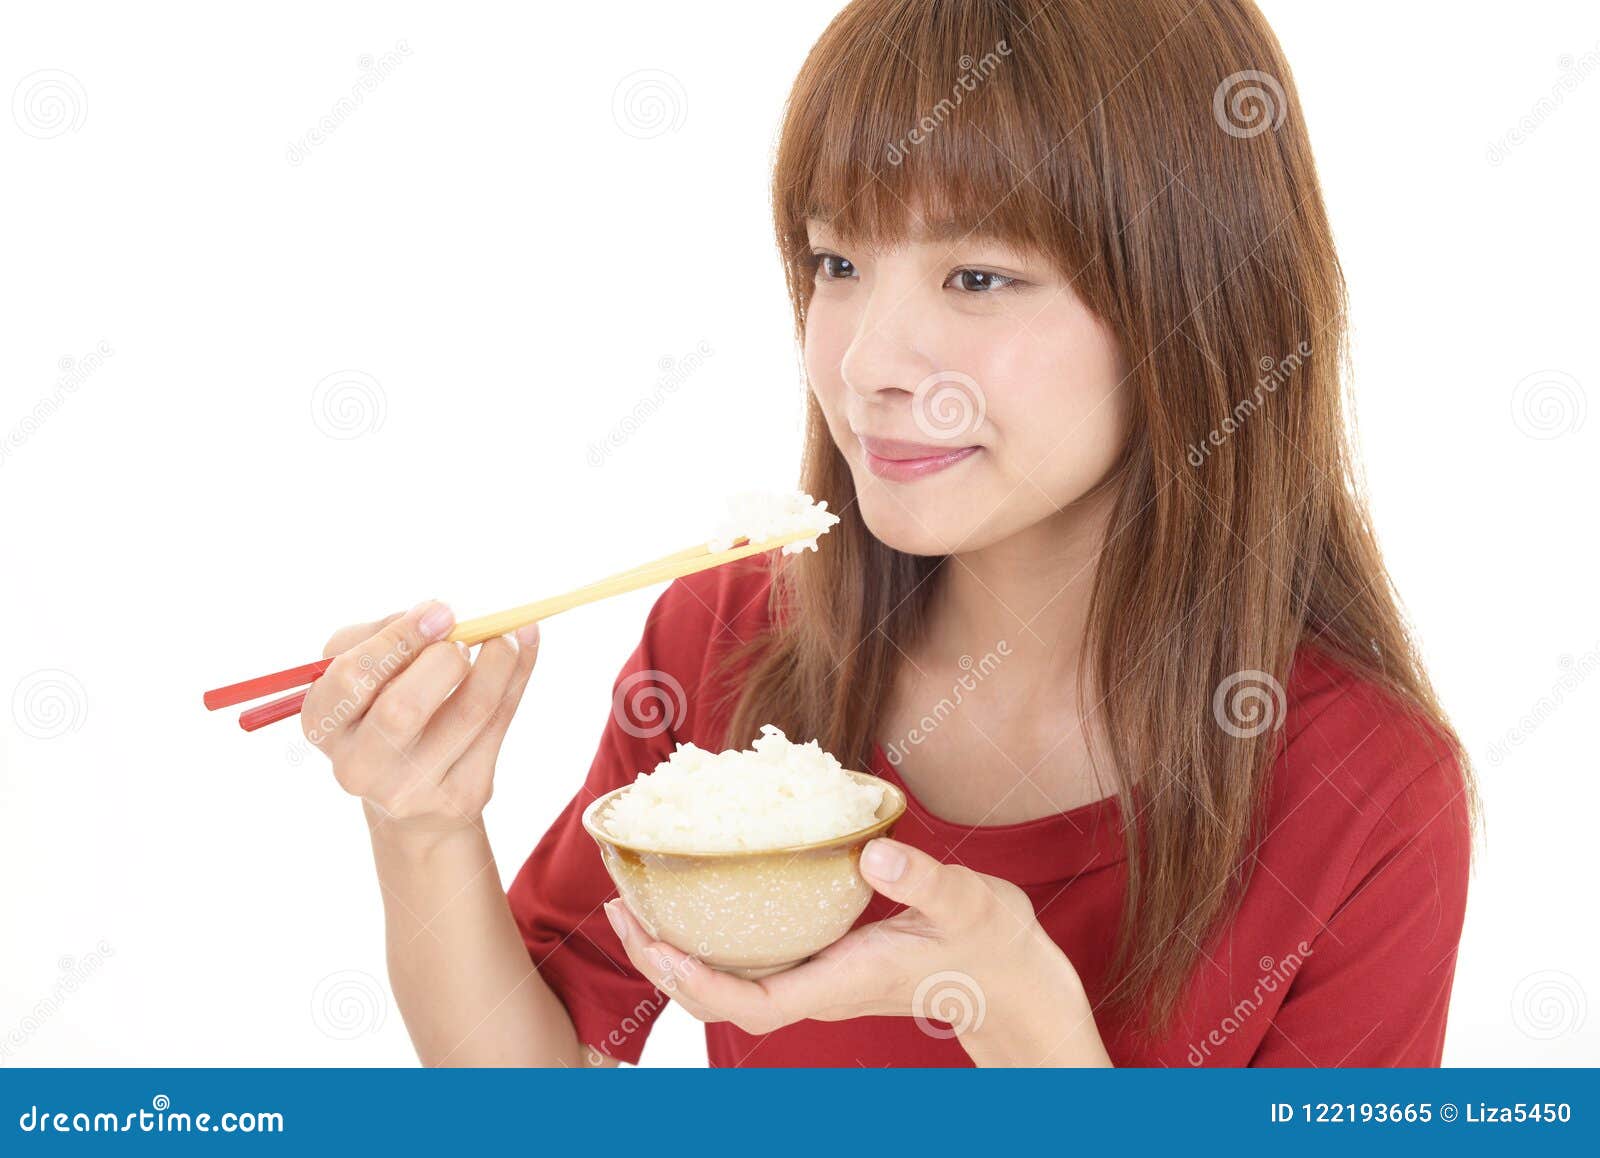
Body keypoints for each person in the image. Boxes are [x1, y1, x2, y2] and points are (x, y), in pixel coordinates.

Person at [302, 0, 1475, 1067]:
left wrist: (1030, 1036)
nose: (865, 364)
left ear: (1196, 302)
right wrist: (422, 825)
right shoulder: (725, 638)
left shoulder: (1365, 794)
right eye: (838, 262)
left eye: (978, 277)